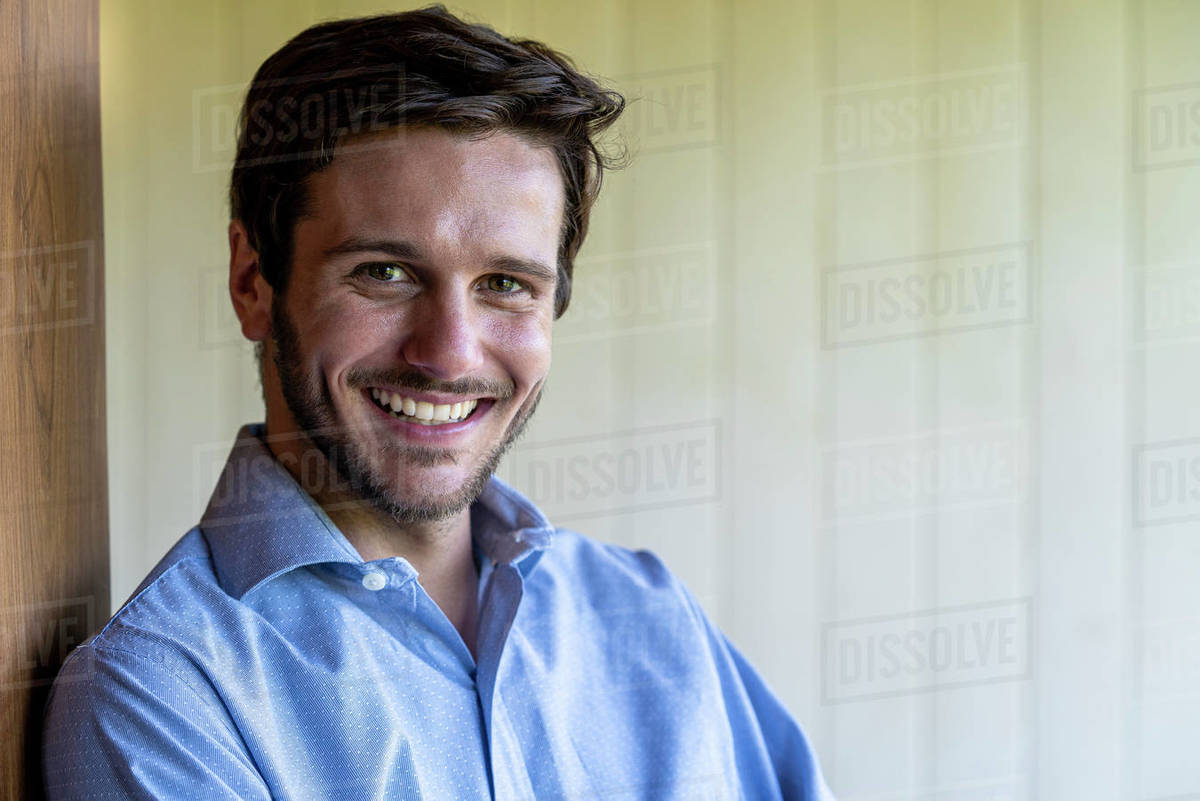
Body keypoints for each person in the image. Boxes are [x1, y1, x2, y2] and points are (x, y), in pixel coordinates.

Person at [42, 6, 834, 799]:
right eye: (385, 272)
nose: (449, 353)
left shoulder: (648, 617)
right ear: (254, 280)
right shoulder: (160, 696)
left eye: (504, 285)